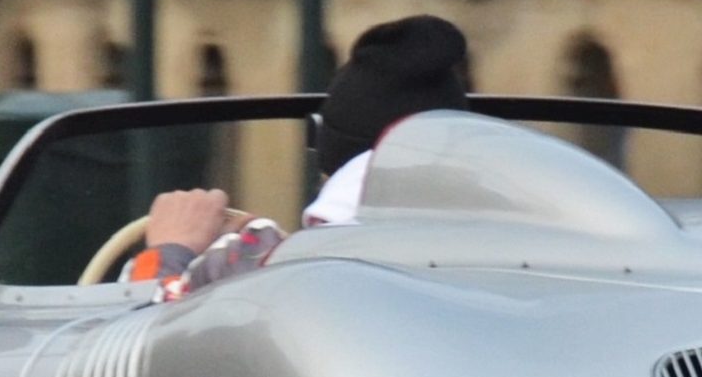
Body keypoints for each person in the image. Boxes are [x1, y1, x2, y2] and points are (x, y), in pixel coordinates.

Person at [132, 15, 469, 297]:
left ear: (328, 154)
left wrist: (169, 251)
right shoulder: (497, 253)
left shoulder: (260, 266)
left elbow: (135, 344)